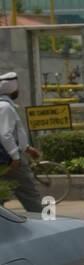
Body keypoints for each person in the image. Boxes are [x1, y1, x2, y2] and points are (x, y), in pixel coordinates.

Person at [0, 72, 42, 213]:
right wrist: (16, 157)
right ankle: (48, 225)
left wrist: (27, 148)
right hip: (10, 159)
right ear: (13, 89)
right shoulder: (5, 107)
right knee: (30, 195)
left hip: (5, 157)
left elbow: (13, 135)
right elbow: (5, 134)